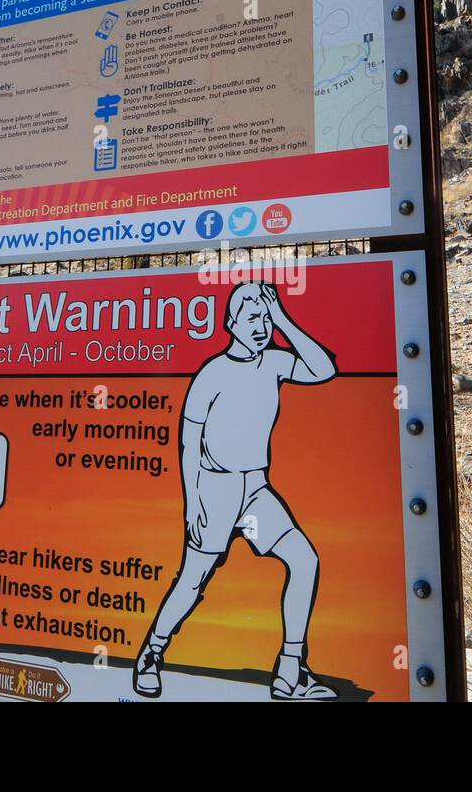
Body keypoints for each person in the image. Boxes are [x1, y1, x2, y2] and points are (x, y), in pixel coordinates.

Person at [134, 282, 340, 700]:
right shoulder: (213, 374)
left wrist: (282, 318)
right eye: (252, 319)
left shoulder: (274, 363)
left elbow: (324, 369)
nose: (260, 327)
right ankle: (151, 654)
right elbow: (189, 442)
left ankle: (289, 671)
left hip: (256, 490)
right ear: (230, 324)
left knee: (304, 560)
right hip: (216, 490)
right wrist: (193, 503)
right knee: (193, 580)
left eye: (264, 319)